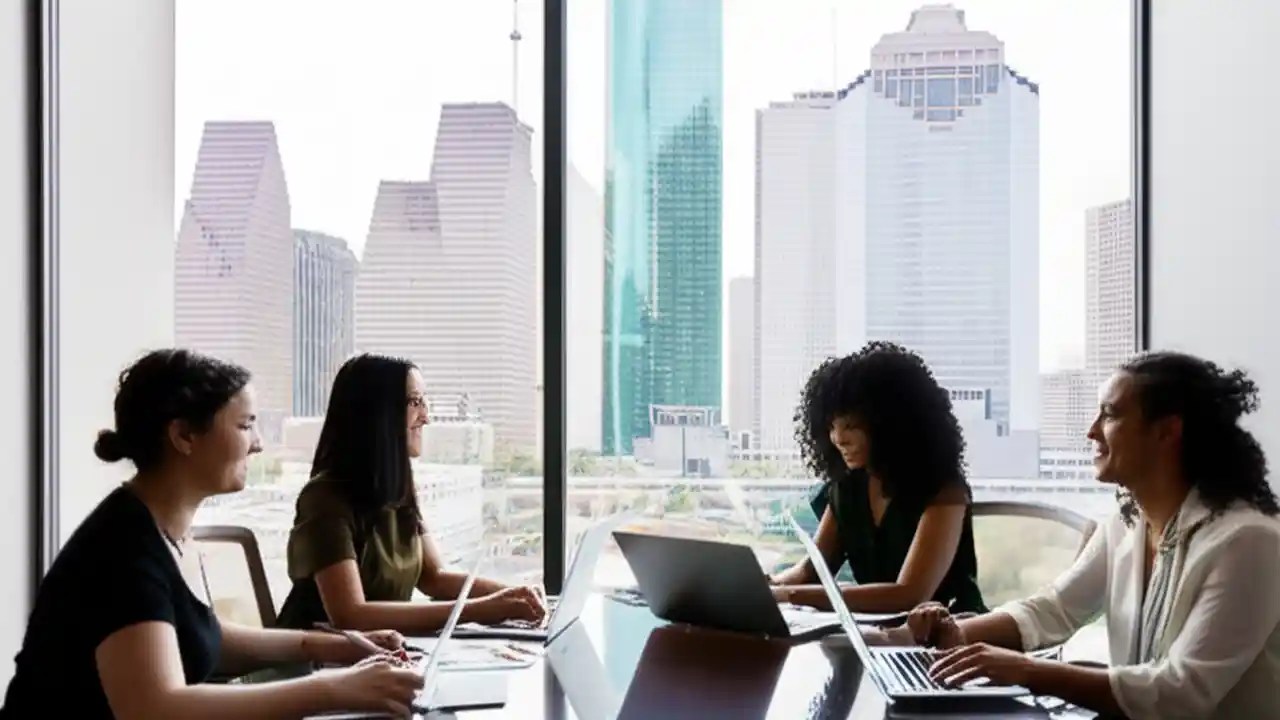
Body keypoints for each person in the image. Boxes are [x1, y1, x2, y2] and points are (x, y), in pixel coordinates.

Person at [0, 349, 422, 719]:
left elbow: (205, 638)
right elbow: (155, 709)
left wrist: (336, 647)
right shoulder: (122, 550)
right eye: (245, 425)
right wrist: (333, 689)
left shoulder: (165, 528)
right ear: (184, 435)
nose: (258, 443)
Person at [905, 352, 1280, 719]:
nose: (1092, 430)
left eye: (1110, 414)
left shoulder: (1249, 542)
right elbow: (1055, 609)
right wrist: (954, 634)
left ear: (1167, 432)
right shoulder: (1127, 524)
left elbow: (1180, 693)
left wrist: (1027, 671)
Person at [276, 354, 545, 635]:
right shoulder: (324, 498)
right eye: (415, 402)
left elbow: (434, 578)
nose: (426, 416)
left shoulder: (395, 490)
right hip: (317, 656)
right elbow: (350, 614)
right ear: (377, 414)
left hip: (376, 652)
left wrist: (517, 596)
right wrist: (484, 609)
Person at [771, 341, 986, 614]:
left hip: (952, 631)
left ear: (890, 423)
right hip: (874, 631)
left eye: (850, 425)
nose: (838, 438)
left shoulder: (944, 489)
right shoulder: (847, 487)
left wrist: (787, 595)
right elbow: (811, 572)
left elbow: (910, 595)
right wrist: (765, 586)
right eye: (831, 426)